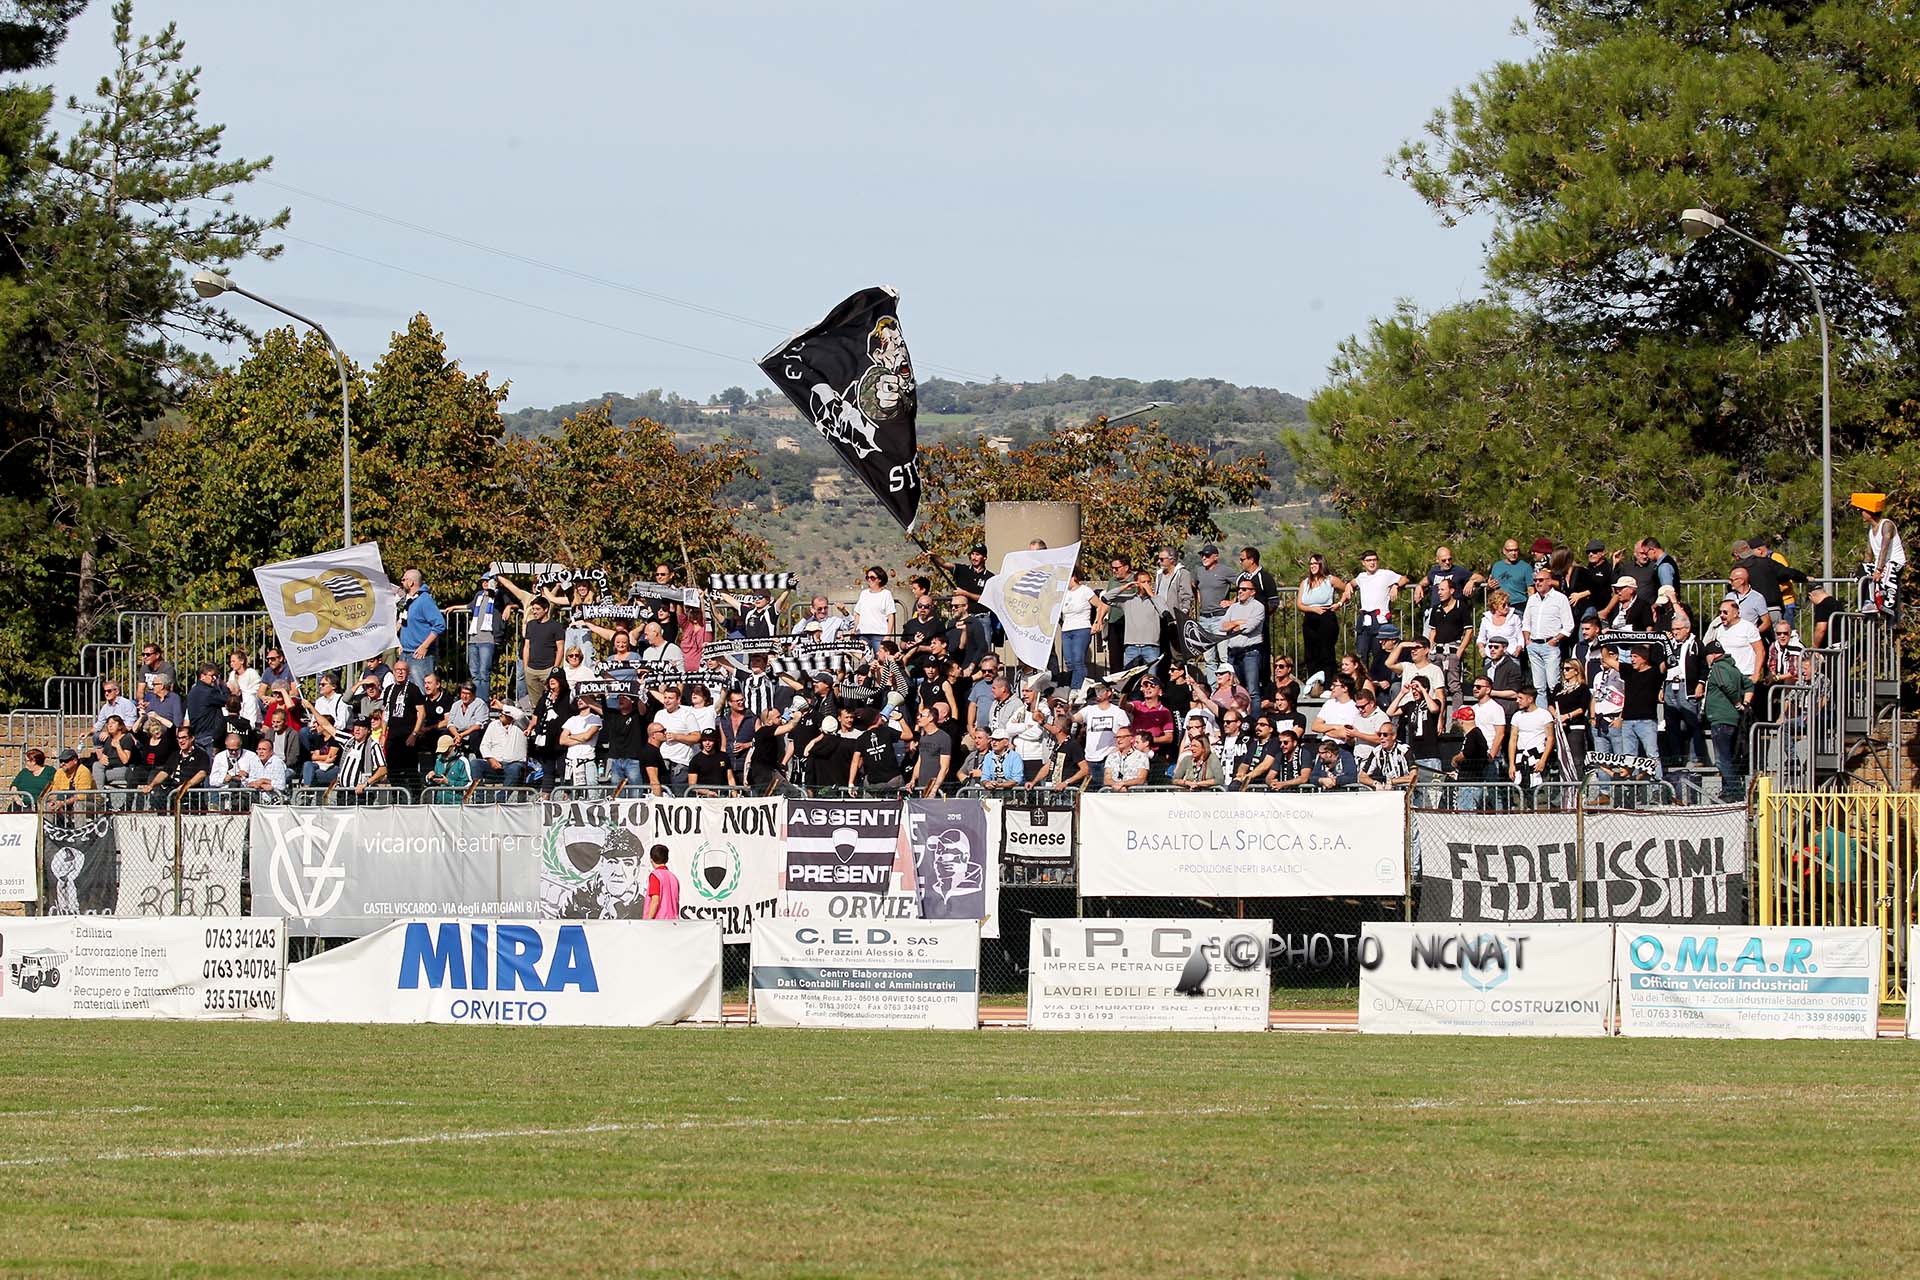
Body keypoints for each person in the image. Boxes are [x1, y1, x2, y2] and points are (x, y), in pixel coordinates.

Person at [1703, 641, 1754, 799]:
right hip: (1733, 720)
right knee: (1729, 758)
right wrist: (1745, 703)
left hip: (1721, 719)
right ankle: (1728, 791)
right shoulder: (1734, 669)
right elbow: (1750, 685)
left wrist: (1738, 703)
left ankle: (1735, 792)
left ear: (1711, 655)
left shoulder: (1717, 667)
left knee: (1722, 760)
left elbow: (1726, 686)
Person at [1339, 550, 1405, 672]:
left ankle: (1380, 683)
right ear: (1363, 563)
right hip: (1365, 623)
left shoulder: (1386, 574)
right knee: (1361, 655)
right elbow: (1353, 582)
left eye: (1374, 560)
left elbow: (1404, 579)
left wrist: (1396, 585)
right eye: (1369, 560)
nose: (1372, 563)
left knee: (1379, 655)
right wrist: (1348, 585)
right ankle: (1363, 683)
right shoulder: (1361, 577)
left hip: (1381, 621)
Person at [1520, 569, 1574, 698]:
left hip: (1550, 646)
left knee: (1553, 685)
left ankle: (1556, 714)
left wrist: (1555, 640)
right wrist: (1527, 640)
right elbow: (1526, 622)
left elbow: (1569, 625)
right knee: (1538, 687)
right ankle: (1543, 716)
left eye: (1541, 580)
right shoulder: (1532, 599)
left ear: (1549, 581)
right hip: (1533, 645)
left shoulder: (1560, 599)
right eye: (1535, 580)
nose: (1537, 583)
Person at [1854, 492, 1906, 621]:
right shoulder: (1871, 530)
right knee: (1863, 570)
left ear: (1869, 512)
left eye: (1862, 511)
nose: (1861, 514)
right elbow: (1869, 553)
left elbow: (1884, 547)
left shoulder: (1886, 525)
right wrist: (1865, 568)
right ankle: (1866, 602)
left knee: (1886, 572)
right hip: (1881, 564)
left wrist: (1878, 569)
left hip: (1893, 563)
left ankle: (1890, 608)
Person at [395, 567, 446, 688]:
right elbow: (404, 622)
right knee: (406, 691)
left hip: (419, 656)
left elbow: (439, 624)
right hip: (405, 653)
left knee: (420, 689)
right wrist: (400, 643)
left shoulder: (425, 600)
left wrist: (424, 646)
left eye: (403, 579)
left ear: (411, 582)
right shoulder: (408, 600)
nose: (401, 582)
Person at [1218, 578, 1267, 701]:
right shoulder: (1233, 608)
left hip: (1250, 653)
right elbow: (1221, 626)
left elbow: (1248, 628)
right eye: (1238, 589)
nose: (1240, 591)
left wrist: (1233, 625)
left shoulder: (1258, 607)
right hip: (1233, 653)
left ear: (1253, 592)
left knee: (1252, 691)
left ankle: (1253, 719)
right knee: (1235, 691)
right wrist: (1239, 622)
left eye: (1244, 589)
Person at [1074, 681, 1130, 789]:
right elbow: (1074, 719)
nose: (1098, 693)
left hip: (1108, 758)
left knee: (1107, 789)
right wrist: (1067, 712)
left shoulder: (1118, 712)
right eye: (1096, 690)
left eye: (1101, 690)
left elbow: (1126, 732)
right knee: (1090, 791)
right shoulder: (1089, 710)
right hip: (1090, 758)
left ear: (1109, 692)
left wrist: (1118, 750)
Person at [1057, 567, 1103, 694]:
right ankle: (1071, 686)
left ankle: (1077, 689)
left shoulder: (1085, 591)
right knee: (1069, 661)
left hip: (1081, 628)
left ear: (1074, 577)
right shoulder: (1064, 593)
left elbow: (1100, 605)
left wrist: (1097, 622)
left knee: (1078, 660)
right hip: (1067, 629)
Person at [559, 695, 603, 788]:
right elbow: (562, 740)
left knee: (592, 792)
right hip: (571, 761)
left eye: (583, 699)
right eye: (578, 699)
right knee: (569, 792)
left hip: (587, 761)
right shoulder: (572, 719)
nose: (579, 701)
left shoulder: (595, 718)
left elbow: (587, 736)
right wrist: (582, 738)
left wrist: (571, 736)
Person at [853, 566, 898, 653]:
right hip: (863, 635)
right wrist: (854, 628)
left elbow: (891, 615)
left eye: (872, 578)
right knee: (863, 661)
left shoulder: (886, 594)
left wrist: (888, 635)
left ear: (879, 579)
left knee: (880, 660)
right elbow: (858, 613)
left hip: (879, 635)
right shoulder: (864, 594)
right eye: (867, 577)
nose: (869, 580)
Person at [1103, 726, 1153, 792]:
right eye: (1117, 737)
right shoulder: (1111, 757)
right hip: (1115, 796)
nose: (1119, 740)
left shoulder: (1142, 757)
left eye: (1122, 737)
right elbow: (1107, 779)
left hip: (1136, 796)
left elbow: (1141, 779)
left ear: (1131, 739)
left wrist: (1123, 784)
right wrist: (1119, 787)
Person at [1193, 543, 1237, 615]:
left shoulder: (1225, 571)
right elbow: (1194, 587)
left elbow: (1245, 585)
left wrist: (1232, 602)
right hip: (1203, 616)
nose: (1204, 558)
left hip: (1219, 615)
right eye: (1202, 555)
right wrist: (1199, 600)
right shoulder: (1199, 571)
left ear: (1216, 557)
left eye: (1207, 555)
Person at [645, 843, 682, 920]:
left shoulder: (655, 875)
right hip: (673, 921)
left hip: (659, 923)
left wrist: (647, 921)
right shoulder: (673, 877)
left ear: (651, 859)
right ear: (667, 859)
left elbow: (655, 900)